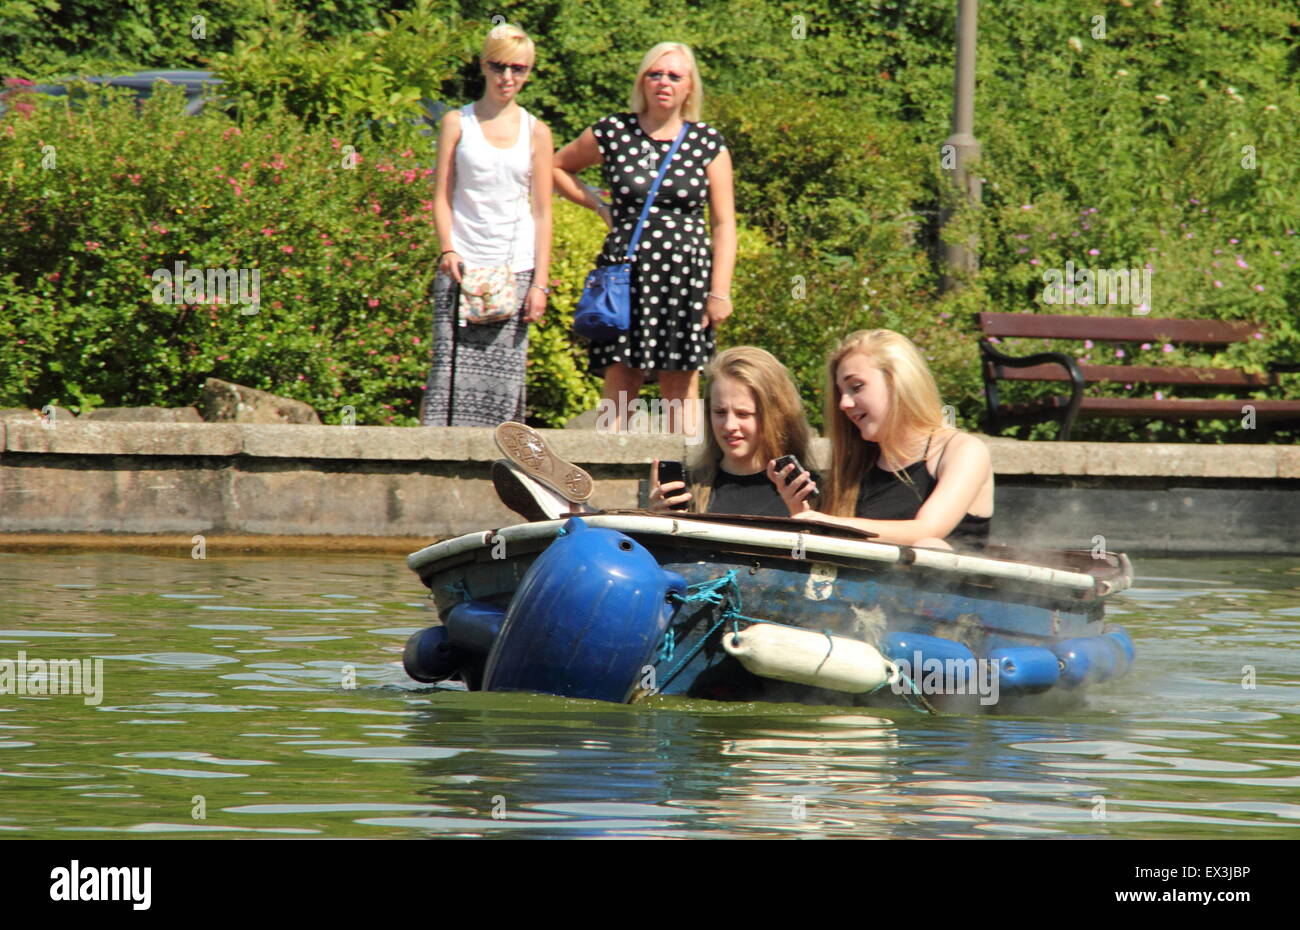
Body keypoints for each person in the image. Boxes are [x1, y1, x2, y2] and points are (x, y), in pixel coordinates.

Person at [553, 41, 736, 437]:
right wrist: (601, 207)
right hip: (625, 274)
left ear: (690, 87)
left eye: (674, 75)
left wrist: (719, 291)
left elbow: (724, 224)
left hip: (686, 277)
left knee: (680, 382)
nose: (664, 83)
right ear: (642, 81)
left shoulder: (707, 142)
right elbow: (555, 166)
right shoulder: (613, 131)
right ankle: (606, 472)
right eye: (655, 74)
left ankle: (681, 487)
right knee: (621, 375)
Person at [420, 24, 553, 427]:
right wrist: (447, 248)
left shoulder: (538, 132)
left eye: (519, 68)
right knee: (449, 374)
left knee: (503, 382)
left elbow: (543, 211)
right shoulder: (456, 124)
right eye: (499, 66)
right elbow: (441, 195)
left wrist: (541, 284)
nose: (507, 77)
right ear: (483, 65)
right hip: (461, 266)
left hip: (514, 269)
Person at [770, 329, 994, 549]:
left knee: (932, 546)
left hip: (945, 585)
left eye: (856, 387)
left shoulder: (963, 450)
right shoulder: (858, 466)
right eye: (841, 393)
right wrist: (801, 512)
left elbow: (928, 530)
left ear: (899, 381)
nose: (844, 404)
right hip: (860, 585)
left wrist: (823, 523)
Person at [649, 346, 818, 517]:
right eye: (720, 412)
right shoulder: (689, 489)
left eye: (743, 414)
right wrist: (661, 524)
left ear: (775, 414)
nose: (729, 425)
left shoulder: (805, 490)